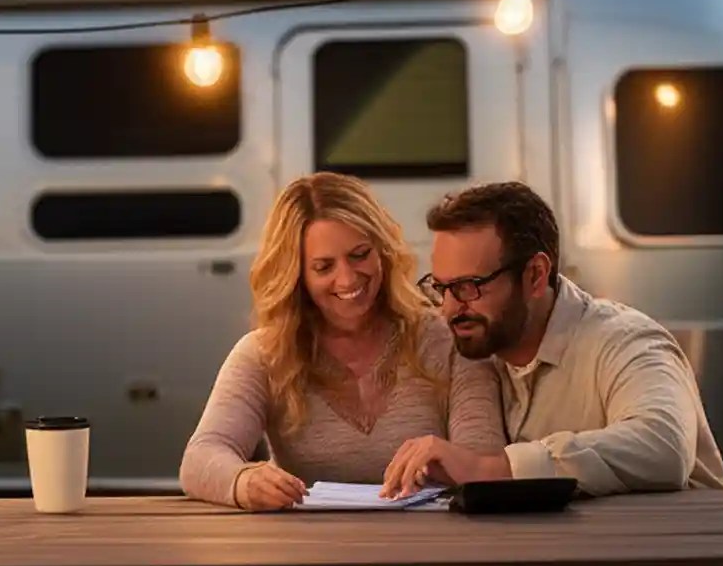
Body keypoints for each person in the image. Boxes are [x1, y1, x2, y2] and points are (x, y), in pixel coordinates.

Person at [377, 181, 723, 566]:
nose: (451, 308)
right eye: (442, 287)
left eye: (471, 286)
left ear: (535, 275)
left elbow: (662, 446)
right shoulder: (477, 352)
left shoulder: (624, 340)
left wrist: (493, 468)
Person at [179, 172, 505, 512]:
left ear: (383, 250)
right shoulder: (264, 354)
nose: (348, 278)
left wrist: (448, 458)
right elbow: (201, 457)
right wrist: (243, 482)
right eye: (324, 267)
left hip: (434, 547)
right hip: (312, 553)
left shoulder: (447, 339)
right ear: (297, 275)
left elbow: (485, 460)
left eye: (360, 255)